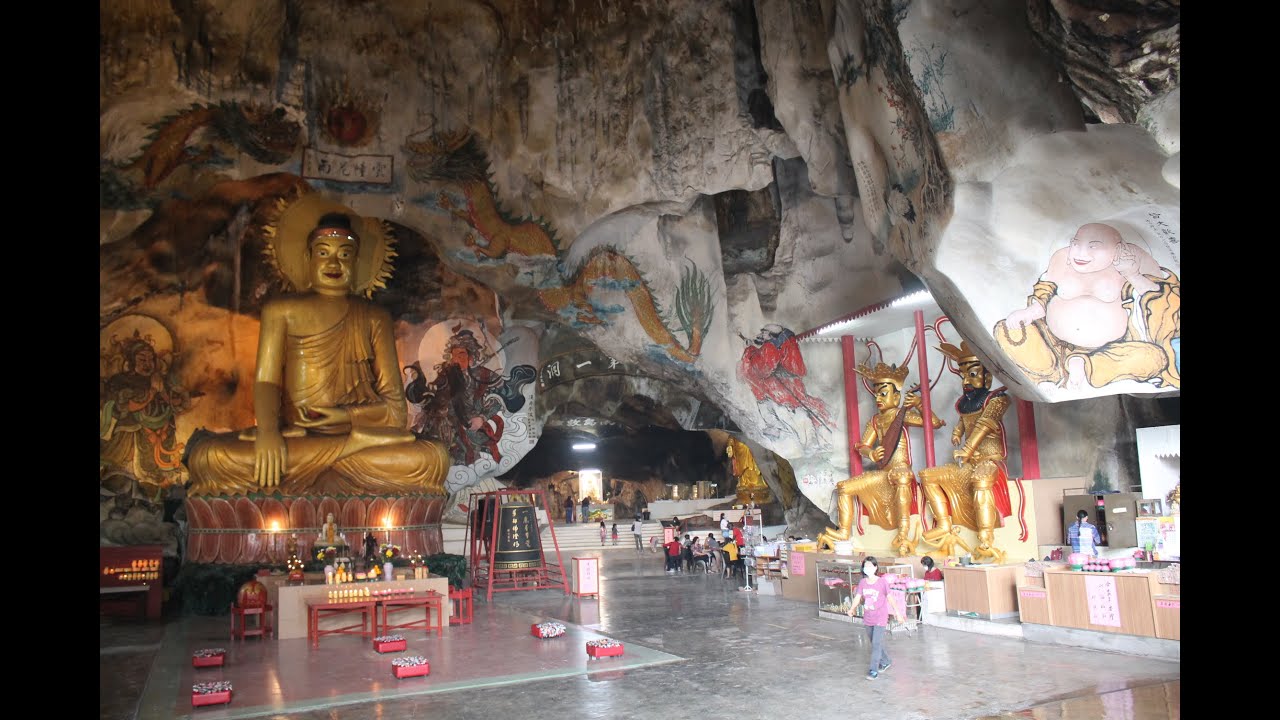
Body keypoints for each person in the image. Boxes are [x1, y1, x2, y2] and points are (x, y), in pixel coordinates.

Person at [183, 198, 450, 496]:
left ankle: (348, 447)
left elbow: (396, 411)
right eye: (324, 254)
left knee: (432, 458)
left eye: (345, 255)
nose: (334, 264)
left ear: (356, 262)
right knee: (209, 458)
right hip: (297, 440)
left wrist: (345, 418)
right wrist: (269, 434)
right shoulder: (281, 311)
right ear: (308, 260)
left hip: (356, 440)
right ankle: (345, 451)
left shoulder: (374, 316)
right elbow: (267, 381)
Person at [993, 222, 1180, 391]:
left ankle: (1086, 365)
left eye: (1094, 247)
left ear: (1118, 248)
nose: (1081, 253)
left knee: (1154, 358)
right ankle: (1053, 373)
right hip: (1054, 343)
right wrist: (1029, 312)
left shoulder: (1133, 260)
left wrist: (1133, 275)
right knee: (1007, 331)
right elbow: (1045, 292)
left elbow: (1164, 299)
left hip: (1109, 351)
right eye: (1076, 244)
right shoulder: (1061, 257)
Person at [817, 362, 944, 556]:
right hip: (883, 472)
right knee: (844, 487)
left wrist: (918, 404)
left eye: (883, 393)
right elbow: (862, 445)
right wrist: (871, 454)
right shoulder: (876, 421)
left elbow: (934, 423)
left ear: (896, 396)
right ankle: (843, 531)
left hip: (900, 469)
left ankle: (903, 532)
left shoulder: (903, 416)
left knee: (902, 478)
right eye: (876, 393)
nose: (878, 397)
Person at [919, 340, 1016, 563]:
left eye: (972, 374)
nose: (966, 381)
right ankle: (944, 524)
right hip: (968, 461)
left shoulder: (997, 399)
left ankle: (986, 540)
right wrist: (956, 433)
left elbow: (984, 424)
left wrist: (967, 448)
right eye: (963, 375)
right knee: (927, 475)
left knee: (981, 482)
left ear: (987, 377)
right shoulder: (964, 403)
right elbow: (964, 423)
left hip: (990, 460)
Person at [847, 556, 905, 680]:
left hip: (880, 617)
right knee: (874, 642)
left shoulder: (882, 582)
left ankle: (873, 670)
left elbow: (890, 598)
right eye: (865, 566)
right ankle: (886, 660)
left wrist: (898, 613)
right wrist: (852, 608)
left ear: (875, 567)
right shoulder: (863, 583)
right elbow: (858, 597)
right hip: (868, 617)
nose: (867, 568)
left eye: (870, 566)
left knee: (876, 643)